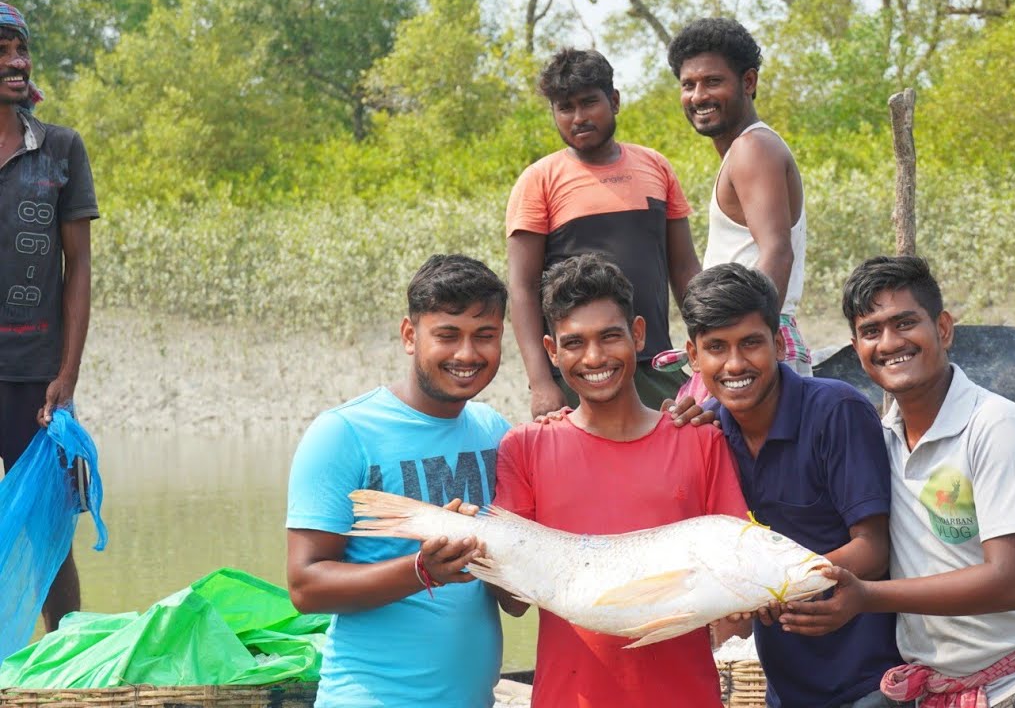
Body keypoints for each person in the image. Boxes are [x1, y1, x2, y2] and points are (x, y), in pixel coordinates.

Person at [780, 256, 1015, 708]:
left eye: (905, 323)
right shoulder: (881, 440)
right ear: (856, 348)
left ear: (943, 328)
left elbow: (1011, 581)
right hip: (936, 687)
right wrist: (708, 418)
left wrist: (866, 597)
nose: (890, 343)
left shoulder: (996, 428)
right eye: (871, 331)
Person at [493, 254, 748, 708]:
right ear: (552, 351)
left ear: (638, 334)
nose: (594, 358)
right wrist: (478, 552)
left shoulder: (700, 440)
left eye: (610, 336)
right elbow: (514, 604)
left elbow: (737, 610)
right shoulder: (525, 448)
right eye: (574, 343)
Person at [286, 255, 518, 707]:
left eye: (484, 335)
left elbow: (513, 598)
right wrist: (422, 571)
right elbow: (305, 586)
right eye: (447, 335)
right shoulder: (343, 433)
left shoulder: (494, 431)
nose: (467, 354)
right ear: (410, 336)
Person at [680, 263, 900, 708]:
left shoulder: (836, 411)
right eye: (716, 347)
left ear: (779, 344)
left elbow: (874, 549)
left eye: (751, 343)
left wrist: (769, 586)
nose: (735, 364)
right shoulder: (709, 436)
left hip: (872, 682)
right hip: (787, 686)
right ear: (693, 357)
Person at [507, 48, 701, 418]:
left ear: (614, 101)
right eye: (565, 108)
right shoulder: (539, 180)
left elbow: (684, 268)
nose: (578, 117)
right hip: (579, 370)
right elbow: (522, 288)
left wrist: (708, 343)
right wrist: (542, 382)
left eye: (589, 102)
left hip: (655, 363)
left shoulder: (656, 166)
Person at [0, 2, 98, 633]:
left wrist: (67, 376)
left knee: (49, 533)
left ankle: (66, 662)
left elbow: (78, 268)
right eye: (2, 51)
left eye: (21, 50)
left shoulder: (59, 148)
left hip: (36, 376)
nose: (17, 62)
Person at [667, 17, 811, 376]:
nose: (698, 96)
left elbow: (776, 252)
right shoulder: (745, 149)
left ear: (748, 82)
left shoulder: (752, 148)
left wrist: (738, 343)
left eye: (713, 81)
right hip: (750, 339)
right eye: (688, 85)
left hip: (751, 345)